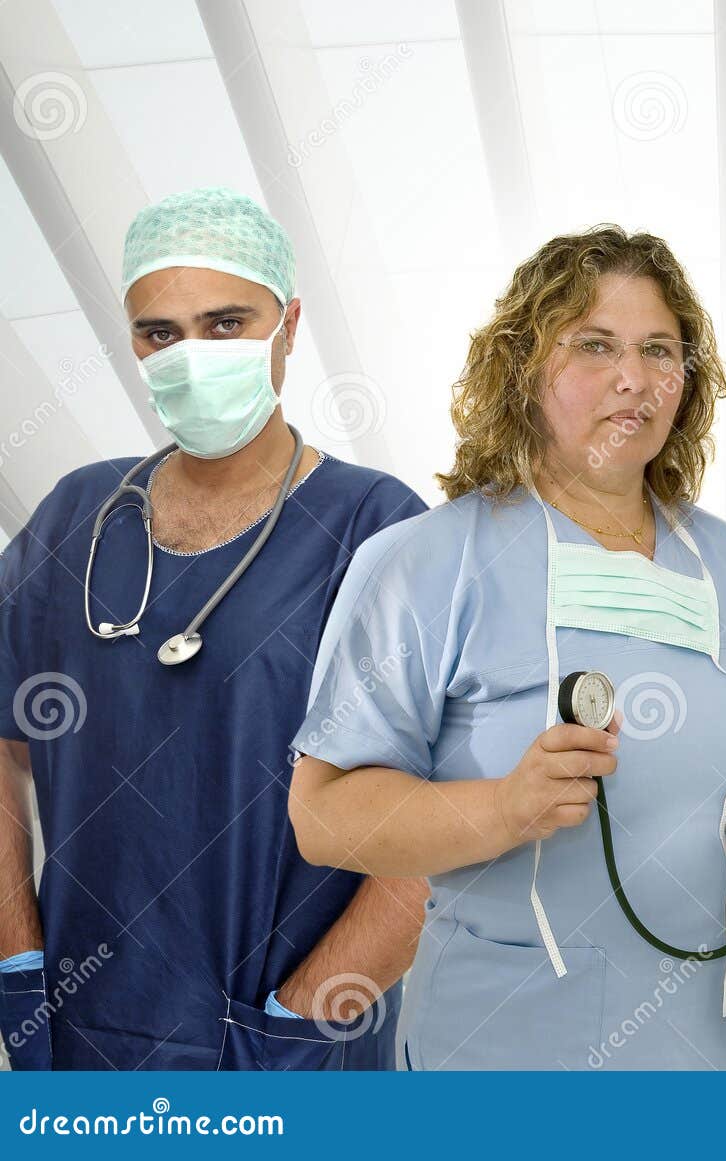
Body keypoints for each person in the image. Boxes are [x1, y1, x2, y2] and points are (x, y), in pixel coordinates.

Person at [287, 225, 726, 1070]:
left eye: (661, 349)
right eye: (595, 345)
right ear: (524, 371)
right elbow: (323, 814)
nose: (634, 377)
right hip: (512, 1051)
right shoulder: (430, 562)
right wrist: (504, 808)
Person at [0, 187, 428, 1070]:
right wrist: (17, 961)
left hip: (286, 1043)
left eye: (226, 324)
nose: (191, 358)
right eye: (160, 333)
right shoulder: (78, 514)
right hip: (84, 1038)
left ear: (290, 325)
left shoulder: (374, 527)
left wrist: (304, 1020)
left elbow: (439, 826)